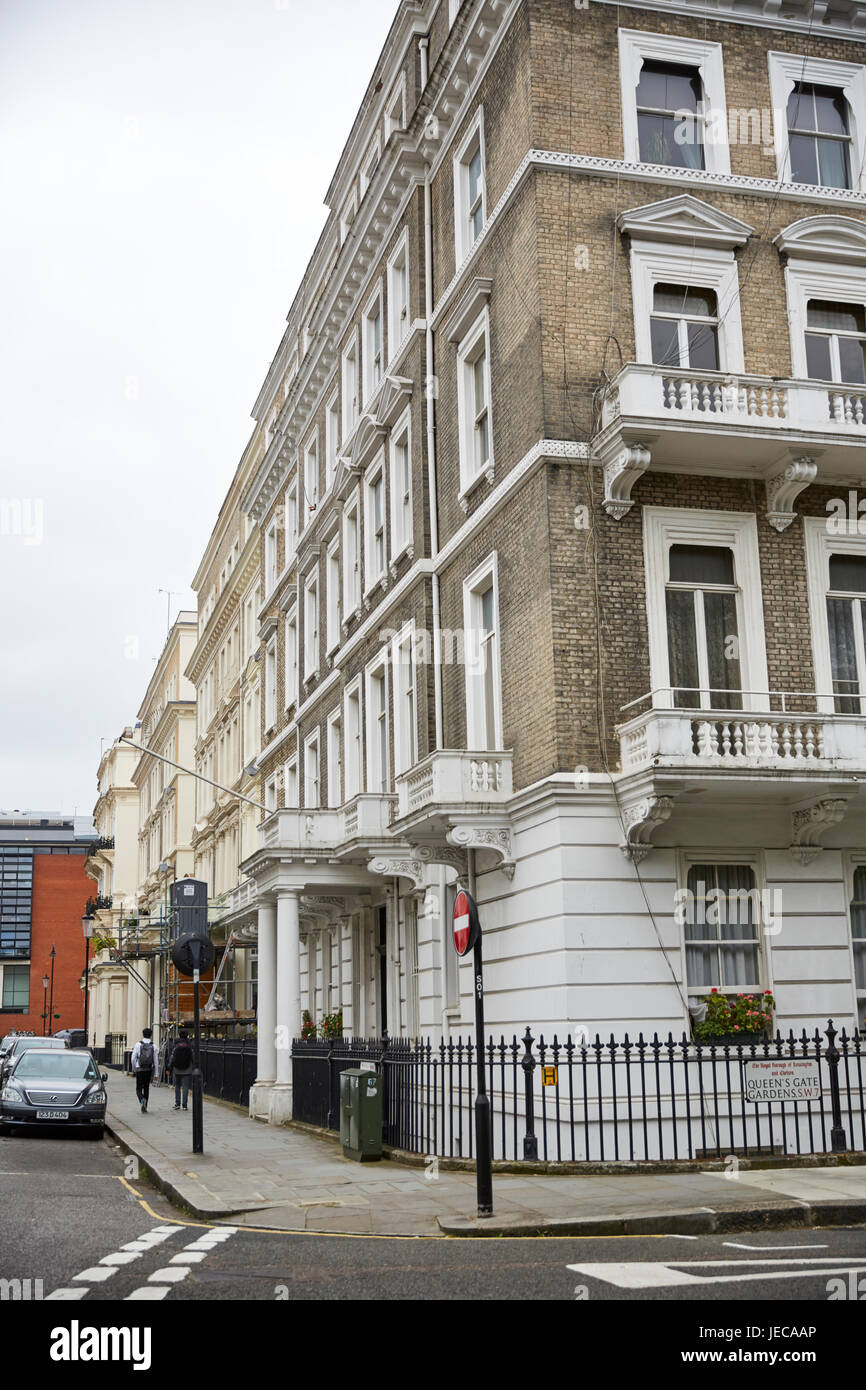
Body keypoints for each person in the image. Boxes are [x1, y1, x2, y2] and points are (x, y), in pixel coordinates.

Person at [131, 1027, 156, 1113]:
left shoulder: (138, 1045)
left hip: (140, 1069)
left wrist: (134, 1068)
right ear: (151, 1035)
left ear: (143, 1034)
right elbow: (155, 1061)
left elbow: (133, 1058)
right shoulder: (153, 1046)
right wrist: (156, 1074)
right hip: (148, 1069)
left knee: (138, 1088)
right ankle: (144, 1107)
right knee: (146, 1088)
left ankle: (141, 1099)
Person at [168, 1031, 194, 1111]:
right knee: (185, 1087)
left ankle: (177, 1104)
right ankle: (185, 1105)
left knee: (177, 1087)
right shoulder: (189, 1046)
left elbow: (172, 1058)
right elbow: (193, 1058)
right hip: (187, 1069)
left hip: (177, 1069)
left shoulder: (176, 1045)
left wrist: (169, 1068)